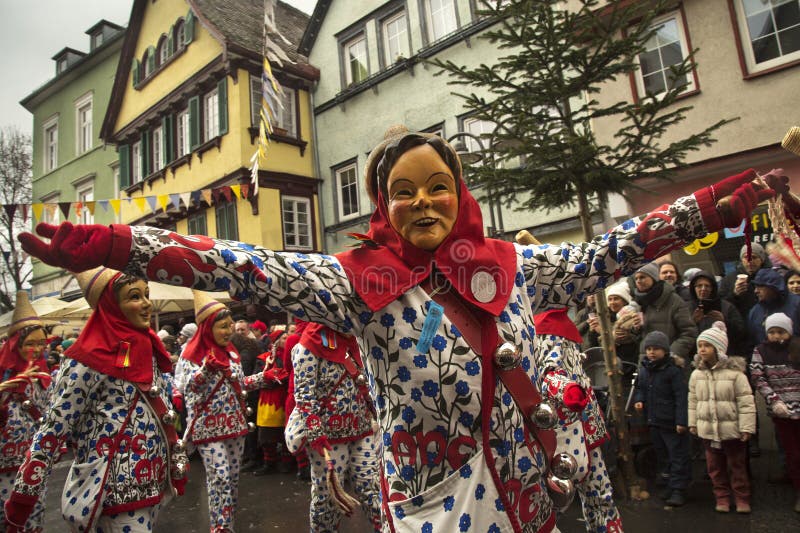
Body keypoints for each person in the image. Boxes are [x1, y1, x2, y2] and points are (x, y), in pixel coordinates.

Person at [17, 126, 781, 533]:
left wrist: (718, 203)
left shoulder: (516, 265)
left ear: (459, 193)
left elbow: (615, 247)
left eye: (438, 186)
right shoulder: (357, 284)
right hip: (433, 507)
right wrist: (118, 244)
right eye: (403, 191)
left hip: (527, 502)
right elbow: (244, 266)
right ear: (383, 204)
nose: (423, 202)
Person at [3, 268, 188, 532]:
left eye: (147, 294)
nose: (147, 303)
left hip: (153, 484)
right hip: (111, 493)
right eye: (135, 296)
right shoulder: (85, 359)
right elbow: (53, 429)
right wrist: (22, 500)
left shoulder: (147, 348)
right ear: (111, 304)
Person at [174, 291, 274, 532]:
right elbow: (186, 388)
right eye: (222, 326)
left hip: (235, 427)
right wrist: (205, 371)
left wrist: (265, 377)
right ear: (208, 328)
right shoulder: (191, 355)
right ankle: (220, 528)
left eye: (230, 325)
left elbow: (239, 385)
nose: (228, 331)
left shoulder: (232, 353)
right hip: (207, 430)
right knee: (220, 478)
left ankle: (227, 525)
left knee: (232, 481)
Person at [532, 309, 622, 532]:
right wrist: (567, 390)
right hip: (563, 429)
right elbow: (548, 373)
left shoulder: (558, 323)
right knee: (557, 496)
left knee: (599, 490)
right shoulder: (549, 326)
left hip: (582, 424)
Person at [286, 322, 381, 532]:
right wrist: (316, 434)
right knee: (328, 497)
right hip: (328, 439)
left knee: (372, 487)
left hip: (362, 430)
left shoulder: (356, 341)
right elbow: (304, 397)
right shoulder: (307, 346)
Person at [688, 322, 756, 513]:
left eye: (707, 346)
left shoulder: (735, 375)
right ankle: (722, 497)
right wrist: (693, 423)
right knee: (714, 468)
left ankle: (742, 497)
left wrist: (746, 427)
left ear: (718, 349)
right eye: (700, 345)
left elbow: (746, 402)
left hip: (731, 430)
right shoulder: (697, 374)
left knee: (737, 466)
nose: (702, 349)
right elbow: (693, 400)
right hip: (709, 430)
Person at [0, 292, 51, 531]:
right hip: (4, 461)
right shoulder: (3, 373)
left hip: (33, 459)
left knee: (33, 511)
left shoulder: (43, 376)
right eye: (30, 343)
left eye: (41, 343)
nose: (37, 349)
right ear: (15, 344)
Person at [749, 312, 800, 512]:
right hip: (781, 411)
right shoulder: (760, 350)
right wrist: (774, 400)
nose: (777, 336)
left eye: (781, 331)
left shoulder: (796, 347)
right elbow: (758, 377)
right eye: (772, 332)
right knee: (792, 453)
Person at [633, 331, 691, 507]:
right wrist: (639, 400)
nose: (651, 352)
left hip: (671, 422)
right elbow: (641, 388)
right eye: (649, 349)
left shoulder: (672, 371)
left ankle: (678, 488)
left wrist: (681, 421)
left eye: (656, 349)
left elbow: (681, 397)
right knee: (662, 455)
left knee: (677, 455)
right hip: (654, 420)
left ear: (665, 350)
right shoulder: (645, 370)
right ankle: (669, 484)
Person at [631, 262, 698, 362]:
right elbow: (639, 338)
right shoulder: (638, 303)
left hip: (670, 364)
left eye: (642, 277)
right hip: (646, 364)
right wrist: (635, 329)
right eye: (636, 278)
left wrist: (670, 355)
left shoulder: (674, 300)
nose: (639, 281)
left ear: (653, 277)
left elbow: (689, 333)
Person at [253, 329, 293, 475]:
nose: (287, 340)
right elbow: (256, 377)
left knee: (285, 432)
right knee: (267, 434)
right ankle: (269, 462)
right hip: (268, 400)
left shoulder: (292, 357)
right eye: (284, 338)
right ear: (276, 342)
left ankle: (287, 462)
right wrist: (269, 377)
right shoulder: (264, 358)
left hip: (284, 398)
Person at [688, 270, 746, 356]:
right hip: (698, 356)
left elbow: (741, 333)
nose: (703, 289)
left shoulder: (726, 306)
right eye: (699, 286)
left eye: (707, 286)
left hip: (725, 355)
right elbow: (682, 335)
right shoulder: (686, 308)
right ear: (693, 288)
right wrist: (693, 323)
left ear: (713, 288)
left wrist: (724, 321)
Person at [719, 243, 771, 320]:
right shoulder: (729, 279)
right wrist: (735, 295)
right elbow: (722, 305)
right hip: (743, 322)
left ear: (761, 260)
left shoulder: (770, 277)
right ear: (742, 260)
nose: (749, 261)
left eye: (754, 257)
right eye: (746, 257)